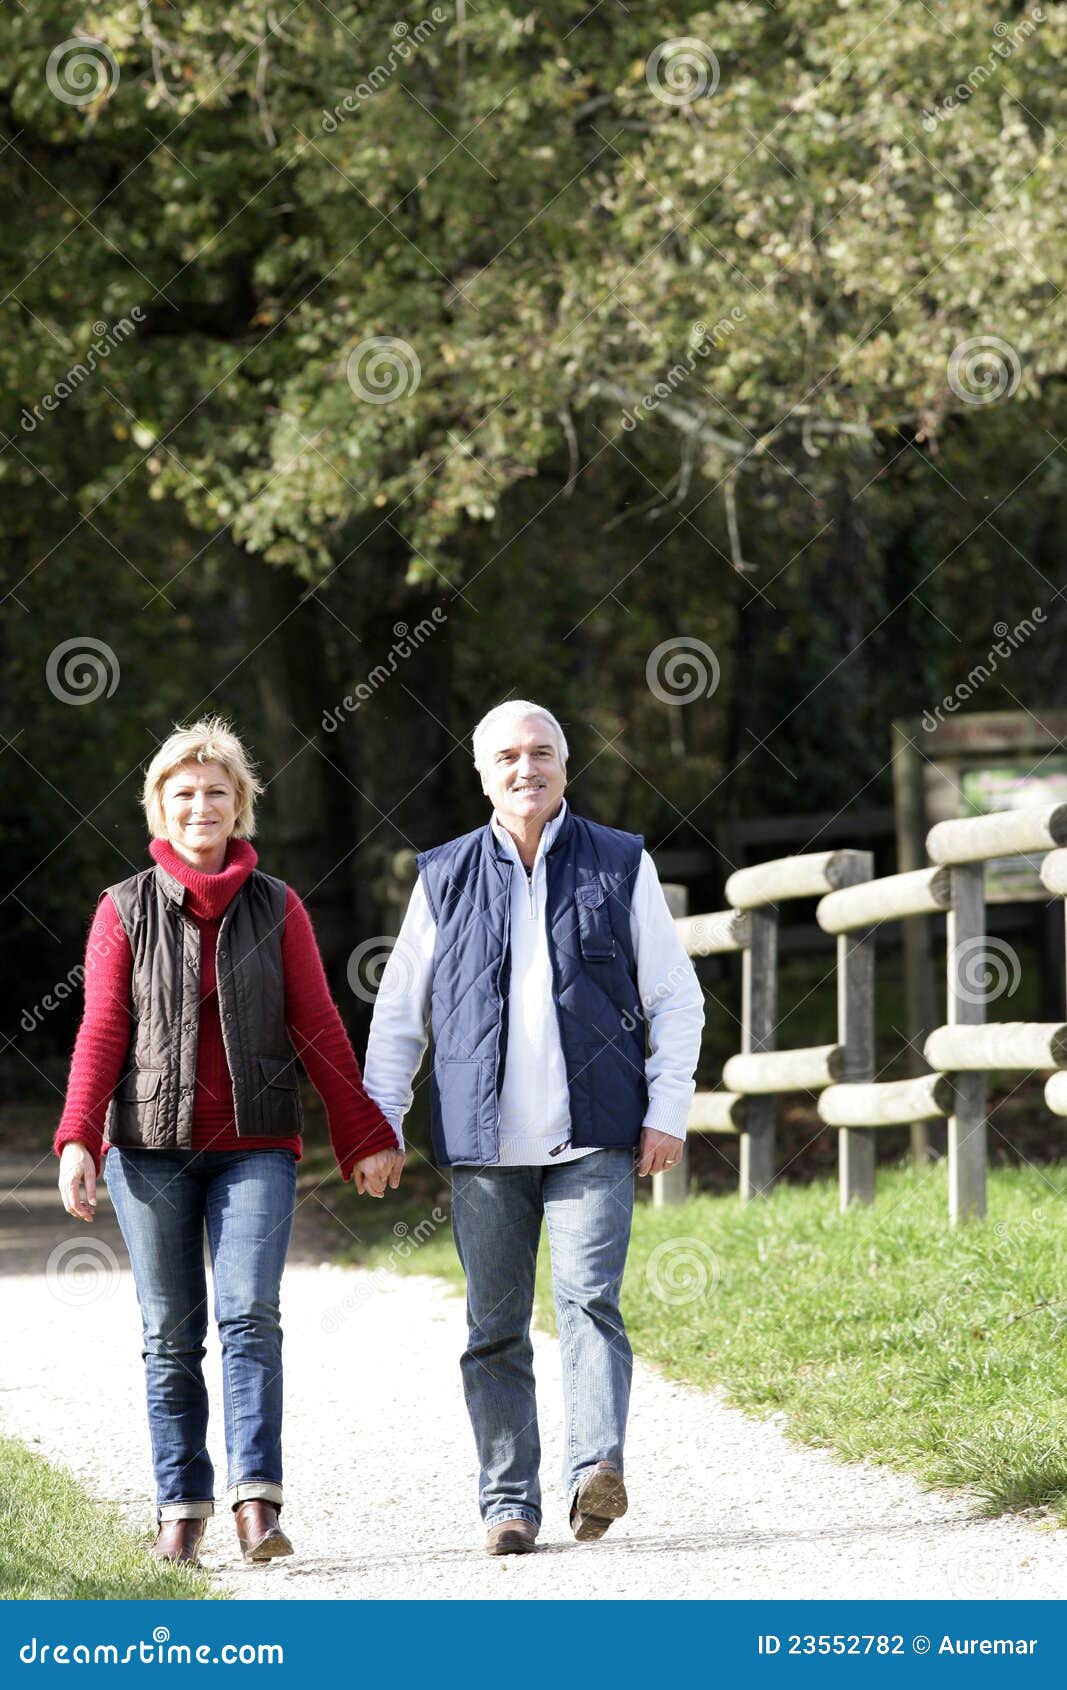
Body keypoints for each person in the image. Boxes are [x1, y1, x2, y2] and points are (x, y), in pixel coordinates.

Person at [55, 716, 402, 1567]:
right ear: (160, 809)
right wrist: (78, 1138)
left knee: (250, 1313)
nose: (200, 805)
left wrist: (360, 1130)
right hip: (150, 1153)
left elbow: (317, 1022)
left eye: (216, 792)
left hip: (256, 1146)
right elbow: (103, 1029)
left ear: (239, 806)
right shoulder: (122, 910)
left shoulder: (278, 907)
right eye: (184, 794)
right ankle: (181, 1509)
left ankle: (258, 1504)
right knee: (170, 1331)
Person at [364, 699, 704, 1554]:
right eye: (508, 756)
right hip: (483, 1149)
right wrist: (380, 1123)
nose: (527, 768)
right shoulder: (442, 875)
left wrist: (666, 1112)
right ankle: (507, 1504)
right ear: (482, 773)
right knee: (494, 1327)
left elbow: (674, 996)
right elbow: (400, 1013)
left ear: (564, 765)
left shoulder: (619, 861)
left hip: (596, 1135)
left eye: (542, 752)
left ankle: (595, 1474)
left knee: (590, 1300)